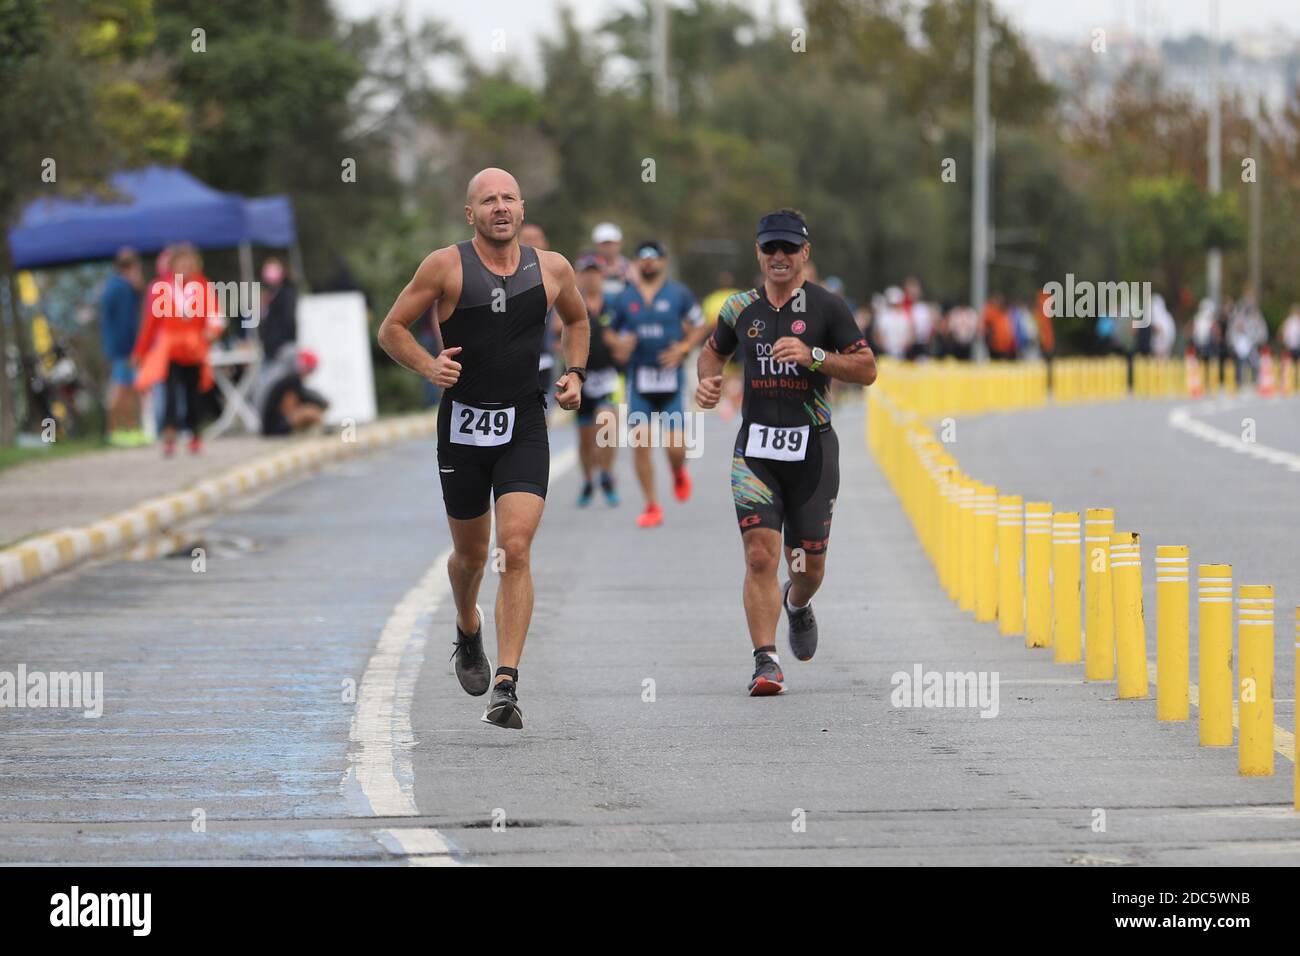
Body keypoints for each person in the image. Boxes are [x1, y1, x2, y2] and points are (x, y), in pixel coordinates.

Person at [376, 167, 588, 730]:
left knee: (514, 549)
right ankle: (468, 626)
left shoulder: (553, 268)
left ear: (522, 209)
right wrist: (429, 365)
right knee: (472, 556)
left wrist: (576, 373)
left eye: (509, 199)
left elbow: (577, 319)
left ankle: (506, 683)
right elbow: (392, 328)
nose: (500, 207)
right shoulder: (445, 266)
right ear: (470, 214)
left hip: (523, 423)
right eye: (488, 200)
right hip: (463, 429)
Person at [695, 209, 877, 695]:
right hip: (755, 452)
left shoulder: (827, 307)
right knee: (760, 556)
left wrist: (815, 356)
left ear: (805, 253)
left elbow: (867, 368)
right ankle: (766, 661)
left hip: (812, 452)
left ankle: (797, 603)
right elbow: (714, 350)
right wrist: (707, 382)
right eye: (770, 248)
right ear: (757, 252)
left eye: (788, 249)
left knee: (807, 565)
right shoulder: (739, 309)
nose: (779, 257)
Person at [607, 238, 708, 528]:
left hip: (671, 380)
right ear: (637, 262)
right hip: (639, 379)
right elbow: (610, 333)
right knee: (641, 442)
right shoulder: (625, 298)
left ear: (662, 262)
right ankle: (652, 504)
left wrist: (684, 348)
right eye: (643, 257)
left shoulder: (679, 294)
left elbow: (701, 325)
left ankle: (678, 471)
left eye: (654, 256)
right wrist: (621, 344)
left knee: (676, 447)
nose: (648, 261)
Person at [132, 244, 223, 456]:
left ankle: (194, 434)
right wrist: (140, 352)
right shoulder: (162, 288)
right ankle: (170, 433)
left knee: (194, 393)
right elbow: (151, 324)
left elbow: (214, 315)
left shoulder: (202, 285)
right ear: (172, 265)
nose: (185, 267)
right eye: (181, 262)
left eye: (189, 263)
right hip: (170, 350)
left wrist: (212, 331)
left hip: (194, 349)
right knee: (170, 394)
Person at [573, 252, 621, 507]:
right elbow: (559, 331)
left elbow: (625, 336)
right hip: (579, 377)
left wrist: (620, 343)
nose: (591, 278)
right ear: (579, 275)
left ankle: (606, 475)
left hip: (608, 376)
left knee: (608, 425)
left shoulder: (614, 303)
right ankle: (588, 480)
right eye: (586, 272)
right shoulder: (571, 301)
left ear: (603, 275)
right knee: (585, 437)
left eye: (596, 272)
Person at [100, 248, 146, 446]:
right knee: (122, 390)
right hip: (124, 348)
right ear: (132, 267)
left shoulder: (113, 286)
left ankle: (125, 430)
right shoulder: (122, 289)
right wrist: (131, 349)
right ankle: (116, 431)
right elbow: (126, 322)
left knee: (126, 388)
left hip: (117, 346)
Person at [519, 223, 564, 404]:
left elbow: (571, 318)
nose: (532, 244)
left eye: (535, 239)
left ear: (545, 243)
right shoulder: (504, 275)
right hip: (512, 359)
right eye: (526, 239)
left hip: (545, 357)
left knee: (540, 417)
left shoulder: (556, 274)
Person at [256, 348, 328, 436]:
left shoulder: (283, 377)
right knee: (311, 412)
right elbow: (289, 410)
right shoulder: (292, 381)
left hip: (269, 426)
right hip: (273, 428)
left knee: (310, 411)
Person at [257, 257, 298, 362]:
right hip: (271, 347)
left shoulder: (287, 292)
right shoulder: (269, 294)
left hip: (283, 345)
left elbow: (288, 318)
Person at [592, 222, 632, 297]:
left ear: (620, 243)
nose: (608, 247)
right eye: (604, 244)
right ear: (597, 245)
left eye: (611, 243)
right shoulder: (588, 266)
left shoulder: (630, 268)